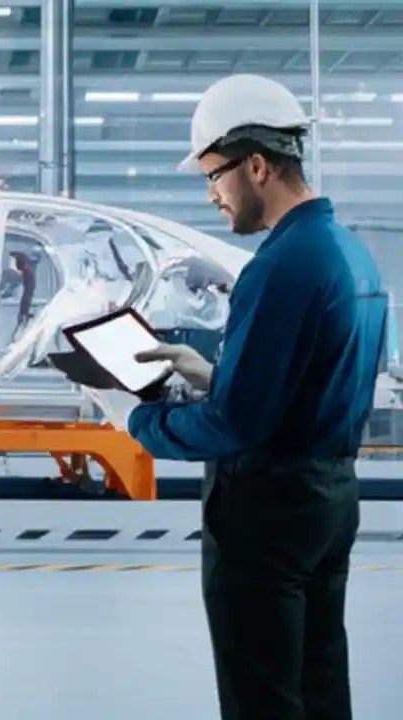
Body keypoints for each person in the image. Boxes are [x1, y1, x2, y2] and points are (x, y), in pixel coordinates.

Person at [127, 73, 388, 720]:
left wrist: (139, 419)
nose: (213, 194)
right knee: (319, 684)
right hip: (329, 500)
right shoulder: (349, 255)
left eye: (214, 176)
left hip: (267, 515)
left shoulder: (278, 267)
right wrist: (215, 372)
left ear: (258, 166)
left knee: (262, 699)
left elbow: (234, 425)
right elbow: (316, 383)